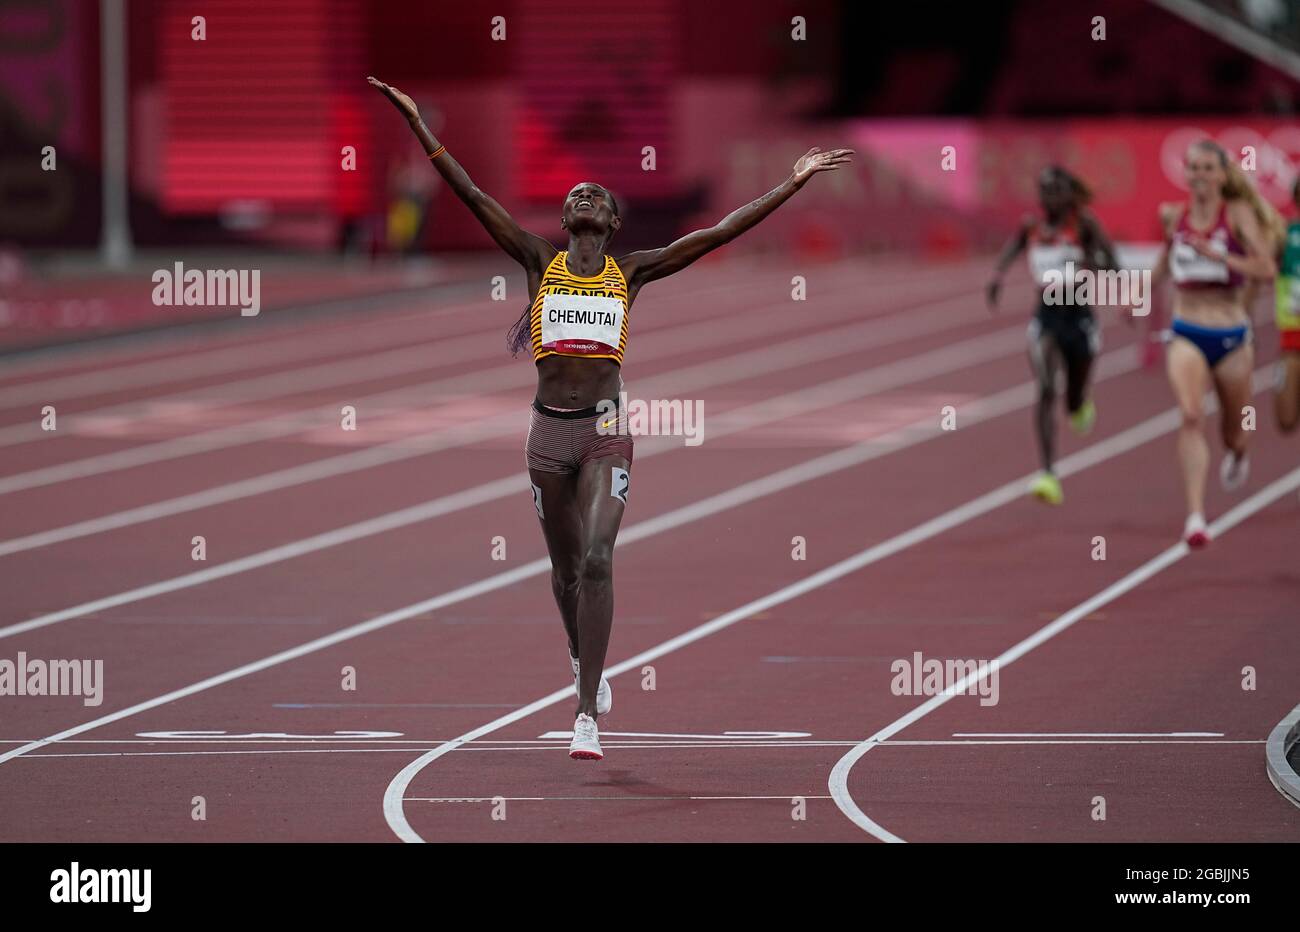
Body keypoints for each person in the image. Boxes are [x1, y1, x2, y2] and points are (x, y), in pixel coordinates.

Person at [369, 75, 853, 760]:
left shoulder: (633, 271)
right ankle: (580, 655)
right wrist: (419, 124)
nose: (587, 196)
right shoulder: (538, 259)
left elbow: (719, 233)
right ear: (566, 221)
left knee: (597, 559)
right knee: (565, 575)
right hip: (546, 437)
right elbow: (470, 193)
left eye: (598, 195)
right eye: (576, 196)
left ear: (614, 223)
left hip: (604, 432)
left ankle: (585, 712)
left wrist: (795, 181)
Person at [1151, 140, 1281, 547]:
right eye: (1194, 167)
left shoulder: (1238, 215)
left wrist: (1223, 258)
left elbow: (1267, 268)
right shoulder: (1174, 215)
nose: (1201, 175)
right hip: (1187, 329)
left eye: (1209, 168)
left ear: (1223, 175)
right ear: (1186, 173)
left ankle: (1239, 453)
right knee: (1190, 415)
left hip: (1230, 335)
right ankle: (1195, 518)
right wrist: (1137, 293)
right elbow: (1164, 261)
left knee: (1234, 430)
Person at [986, 166, 1119, 505]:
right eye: (1043, 190)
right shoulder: (1032, 226)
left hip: (1079, 318)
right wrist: (998, 275)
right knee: (1046, 388)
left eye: (1055, 190)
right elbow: (1014, 247)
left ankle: (1080, 404)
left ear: (1067, 193)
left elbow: (1113, 264)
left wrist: (1090, 261)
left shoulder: (1083, 224)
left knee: (1072, 397)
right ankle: (1048, 473)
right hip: (1046, 317)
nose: (1049, 197)